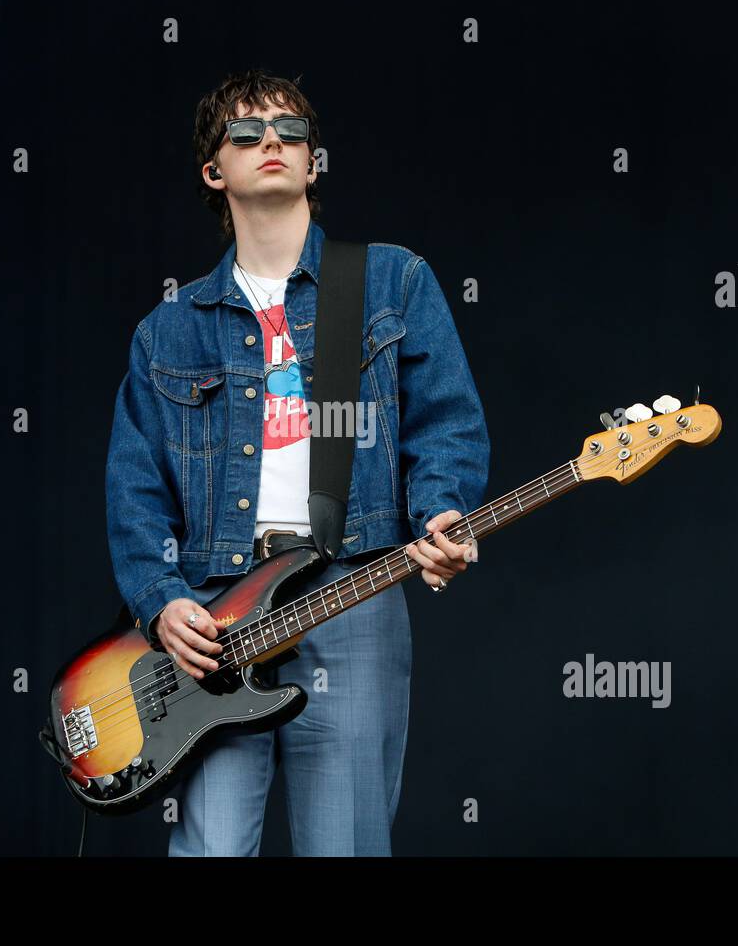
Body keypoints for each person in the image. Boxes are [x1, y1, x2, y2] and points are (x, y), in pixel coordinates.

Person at [105, 68, 489, 855]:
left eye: (290, 131)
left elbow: (446, 425)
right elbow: (135, 488)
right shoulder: (168, 331)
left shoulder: (389, 280)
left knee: (344, 844)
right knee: (210, 849)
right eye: (245, 134)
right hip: (214, 611)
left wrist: (442, 513)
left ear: (316, 161)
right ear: (215, 172)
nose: (271, 141)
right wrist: (161, 601)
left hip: (352, 588)